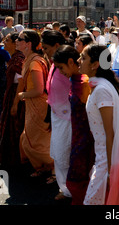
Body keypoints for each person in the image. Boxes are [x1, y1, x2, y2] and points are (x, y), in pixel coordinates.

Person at [78, 44, 119, 205]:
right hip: (103, 155)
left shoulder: (101, 89)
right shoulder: (99, 85)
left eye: (83, 58)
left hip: (107, 157)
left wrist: (112, 171)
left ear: (95, 65)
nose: (79, 60)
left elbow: (109, 133)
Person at [52, 45, 94, 205]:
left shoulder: (84, 82)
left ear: (71, 62)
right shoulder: (74, 79)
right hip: (76, 131)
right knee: (79, 173)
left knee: (80, 174)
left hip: (85, 134)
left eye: (61, 67)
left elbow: (92, 112)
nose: (60, 72)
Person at [16, 30, 53, 178]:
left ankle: (56, 166)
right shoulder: (30, 59)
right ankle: (43, 167)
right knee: (30, 140)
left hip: (38, 105)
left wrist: (22, 95)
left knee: (33, 143)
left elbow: (38, 89)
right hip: (34, 105)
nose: (16, 40)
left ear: (28, 44)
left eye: (20, 39)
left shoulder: (34, 62)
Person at [41, 30, 73, 201]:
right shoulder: (55, 63)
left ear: (57, 46)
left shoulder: (67, 65)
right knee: (58, 153)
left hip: (67, 117)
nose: (44, 52)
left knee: (63, 154)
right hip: (57, 114)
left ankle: (69, 190)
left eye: (46, 48)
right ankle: (65, 187)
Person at [0, 33, 26, 172]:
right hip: (11, 94)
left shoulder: (18, 59)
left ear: (15, 43)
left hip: (16, 96)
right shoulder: (13, 58)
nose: (4, 42)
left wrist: (15, 103)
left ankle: (16, 160)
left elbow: (21, 82)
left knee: (14, 127)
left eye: (7, 40)